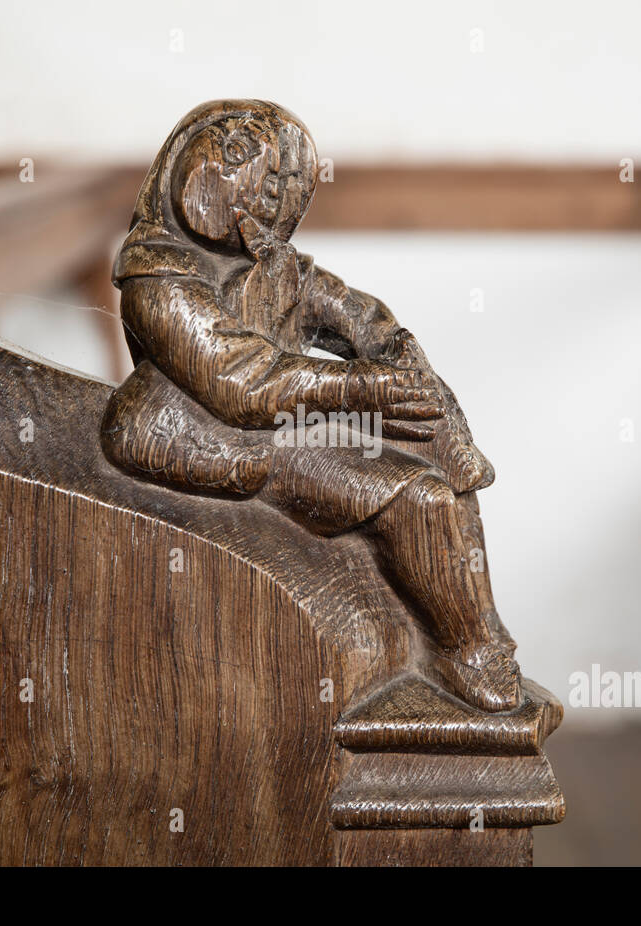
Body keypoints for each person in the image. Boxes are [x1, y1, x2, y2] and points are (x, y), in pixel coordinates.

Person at [102, 100, 521, 711]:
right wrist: (359, 389)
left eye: (281, 187)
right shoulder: (158, 277)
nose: (268, 201)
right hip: (203, 437)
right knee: (417, 499)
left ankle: (480, 644)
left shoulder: (274, 265)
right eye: (259, 180)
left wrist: (403, 366)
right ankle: (468, 652)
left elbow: (361, 318)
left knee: (443, 478)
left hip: (281, 422)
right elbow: (238, 378)